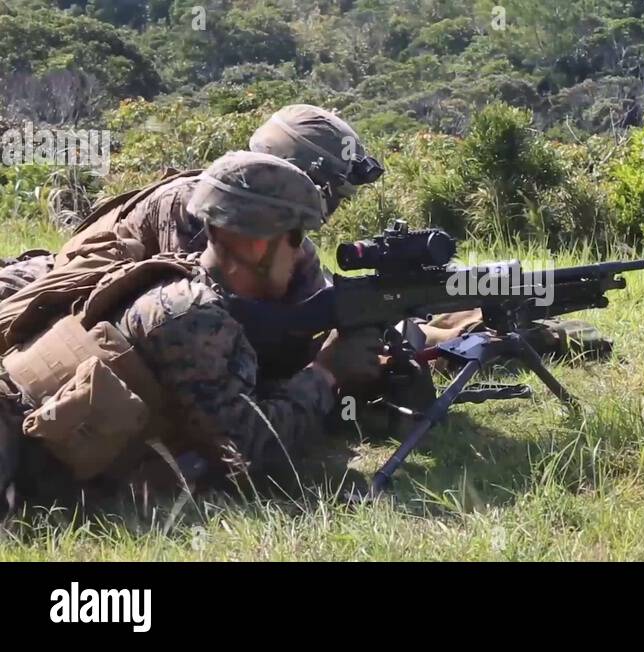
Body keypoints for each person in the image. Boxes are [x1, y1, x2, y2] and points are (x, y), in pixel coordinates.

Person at [0, 152, 383, 518]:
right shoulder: (192, 315)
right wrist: (326, 372)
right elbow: (245, 453)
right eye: (296, 237)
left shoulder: (183, 284)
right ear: (257, 244)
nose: (301, 255)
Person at [0, 104, 384, 304]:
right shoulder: (198, 206)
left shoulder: (268, 227)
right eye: (333, 197)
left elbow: (317, 296)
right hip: (39, 290)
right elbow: (212, 313)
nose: (331, 212)